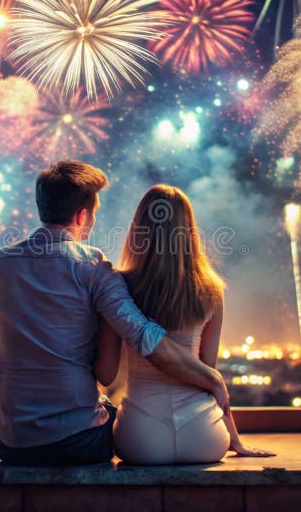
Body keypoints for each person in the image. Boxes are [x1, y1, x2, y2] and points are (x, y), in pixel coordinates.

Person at [0, 162, 230, 465]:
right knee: (113, 413)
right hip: (79, 443)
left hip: (10, 445)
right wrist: (211, 378)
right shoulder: (94, 268)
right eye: (93, 215)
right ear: (81, 216)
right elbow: (142, 335)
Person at [93, 185, 275, 464]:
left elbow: (105, 373)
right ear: (189, 230)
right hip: (205, 437)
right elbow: (205, 373)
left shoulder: (119, 287)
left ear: (138, 229)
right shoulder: (211, 290)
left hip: (140, 439)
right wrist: (235, 440)